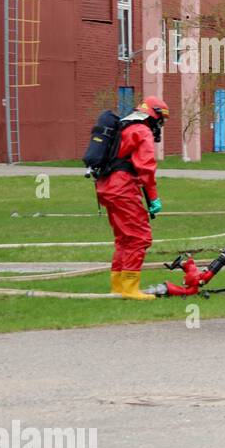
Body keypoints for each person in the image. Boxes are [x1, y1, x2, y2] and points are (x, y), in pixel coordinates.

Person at [95, 96, 168, 299]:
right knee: (139, 237)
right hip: (122, 189)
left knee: (124, 238)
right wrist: (153, 198)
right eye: (162, 120)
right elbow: (145, 167)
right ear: (155, 116)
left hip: (106, 186)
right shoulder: (142, 131)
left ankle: (118, 286)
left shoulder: (124, 127)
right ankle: (130, 288)